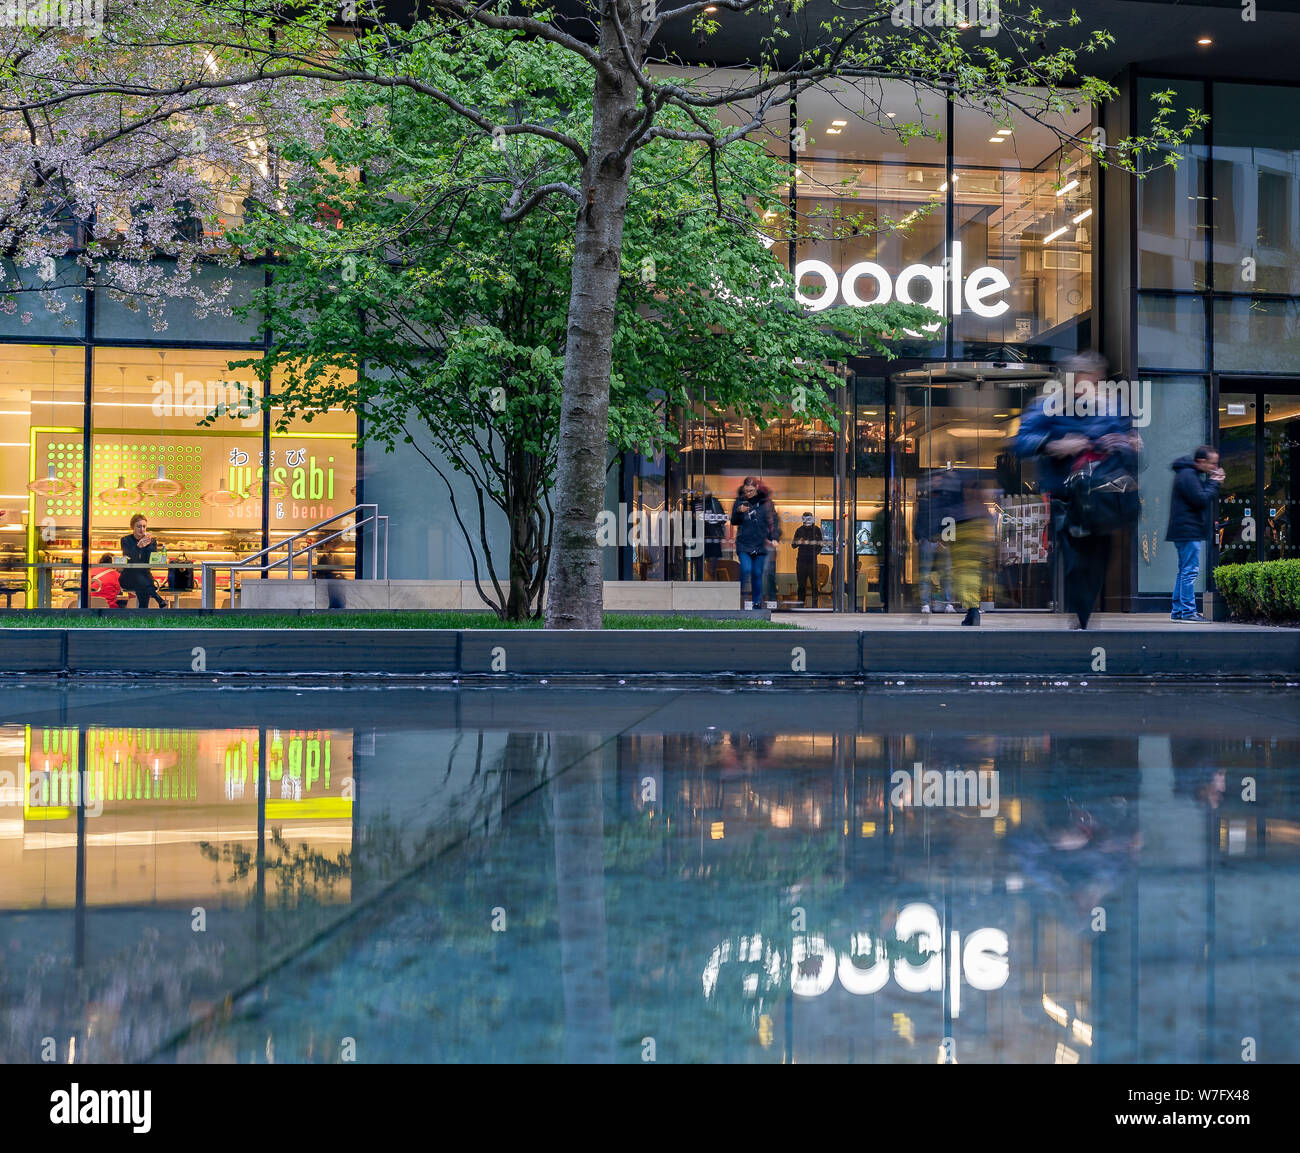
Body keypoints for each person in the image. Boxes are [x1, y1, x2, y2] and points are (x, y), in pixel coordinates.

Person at [1015, 352, 1143, 630]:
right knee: (1075, 560)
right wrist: (1054, 444)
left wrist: (1127, 442)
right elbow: (1021, 441)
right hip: (1067, 496)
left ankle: (1082, 615)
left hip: (1103, 497)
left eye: (1095, 378)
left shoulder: (1112, 407)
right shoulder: (1048, 406)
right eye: (1084, 378)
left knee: (1097, 559)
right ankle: (1080, 614)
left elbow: (1129, 440)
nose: (1089, 384)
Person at [1166, 445, 1223, 621]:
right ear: (1201, 461)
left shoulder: (1188, 474)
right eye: (1212, 463)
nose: (1214, 467)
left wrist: (1210, 483)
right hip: (1188, 531)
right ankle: (1189, 611)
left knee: (1184, 570)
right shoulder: (1188, 475)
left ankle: (1178, 610)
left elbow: (1198, 496)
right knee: (1189, 571)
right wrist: (1214, 482)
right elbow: (1200, 499)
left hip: (1185, 531)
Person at [914, 467, 959, 613]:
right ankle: (926, 604)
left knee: (945, 574)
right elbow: (919, 521)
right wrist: (921, 538)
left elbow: (950, 520)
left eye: (939, 479)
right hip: (928, 540)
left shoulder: (946, 500)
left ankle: (947, 603)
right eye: (934, 479)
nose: (937, 482)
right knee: (927, 574)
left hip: (942, 541)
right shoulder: (925, 501)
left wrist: (946, 540)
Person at [730, 476, 779, 610]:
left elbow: (773, 521)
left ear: (756, 488)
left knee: (757, 572)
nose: (748, 493)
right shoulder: (740, 501)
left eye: (751, 490)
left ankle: (756, 603)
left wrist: (774, 537)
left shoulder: (766, 503)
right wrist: (738, 511)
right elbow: (734, 521)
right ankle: (740, 598)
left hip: (760, 544)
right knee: (746, 569)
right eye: (746, 491)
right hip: (744, 543)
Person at [120, 513, 166, 608]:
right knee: (140, 578)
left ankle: (142, 614)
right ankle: (157, 598)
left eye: (144, 526)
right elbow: (128, 558)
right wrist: (138, 547)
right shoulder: (125, 540)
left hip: (144, 577)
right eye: (139, 526)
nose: (142, 529)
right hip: (128, 577)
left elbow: (152, 559)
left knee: (142, 585)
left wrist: (147, 545)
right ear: (133, 527)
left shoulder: (151, 541)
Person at [791, 512, 824, 606]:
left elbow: (821, 544)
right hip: (801, 560)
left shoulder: (816, 529)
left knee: (814, 584)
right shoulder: (799, 530)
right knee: (801, 584)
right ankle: (800, 604)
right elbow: (793, 545)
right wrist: (798, 541)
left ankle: (814, 605)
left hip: (812, 560)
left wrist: (815, 553)